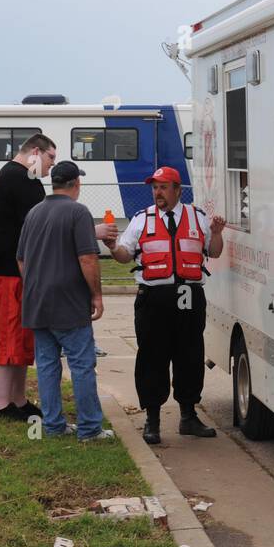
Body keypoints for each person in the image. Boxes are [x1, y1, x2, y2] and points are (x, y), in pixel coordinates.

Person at [105, 166, 225, 444]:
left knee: (190, 355)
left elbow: (214, 252)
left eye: (163, 187)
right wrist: (112, 247)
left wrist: (217, 233)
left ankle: (188, 416)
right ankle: (153, 420)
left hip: (188, 295)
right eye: (154, 187)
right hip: (153, 297)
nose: (157, 192)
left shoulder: (198, 218)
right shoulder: (141, 219)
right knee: (152, 357)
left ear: (177, 190)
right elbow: (125, 255)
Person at [17, 161, 114, 442]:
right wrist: (96, 294)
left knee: (47, 366)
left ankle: (53, 425)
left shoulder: (34, 212)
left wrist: (37, 282)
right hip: (68, 301)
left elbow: (21, 259)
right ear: (75, 184)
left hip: (36, 300)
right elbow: (87, 257)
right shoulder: (78, 212)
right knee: (82, 364)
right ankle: (89, 428)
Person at [0, 134, 53, 422]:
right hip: (9, 272)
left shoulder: (19, 177)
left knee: (22, 338)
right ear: (35, 152)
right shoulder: (20, 178)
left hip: (16, 271)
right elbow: (41, 225)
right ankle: (2, 406)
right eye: (50, 157)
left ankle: (18, 400)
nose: (51, 166)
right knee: (9, 336)